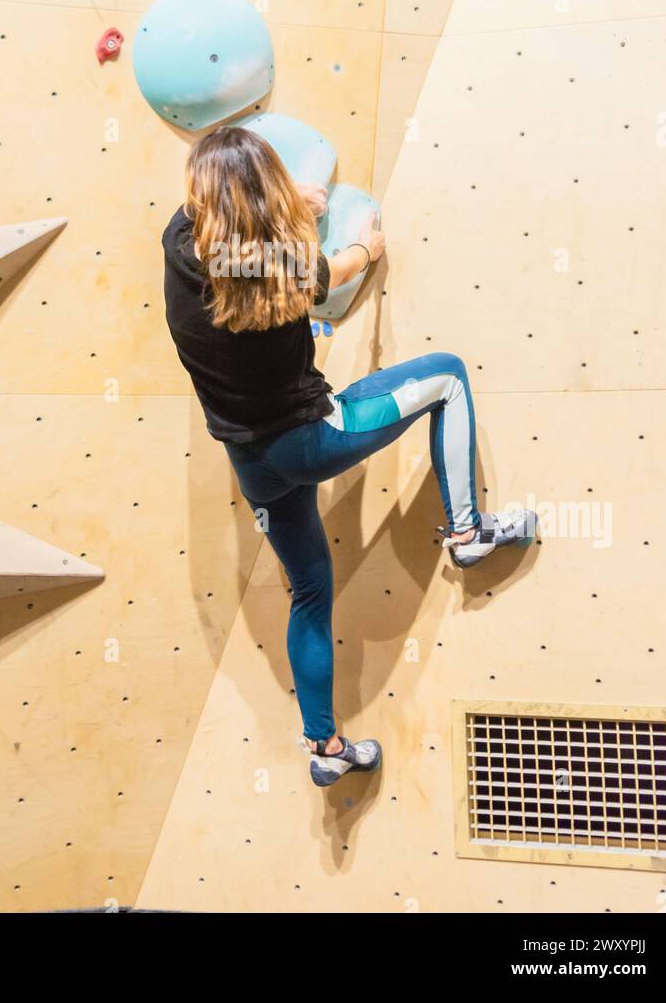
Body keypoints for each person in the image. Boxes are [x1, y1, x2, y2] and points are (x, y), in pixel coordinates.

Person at [162, 126, 535, 787]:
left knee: (309, 592)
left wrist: (280, 208)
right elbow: (337, 269)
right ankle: (467, 533)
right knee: (446, 376)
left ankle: (325, 748)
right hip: (310, 439)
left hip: (253, 465)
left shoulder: (179, 245)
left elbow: (231, 229)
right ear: (263, 194)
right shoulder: (293, 269)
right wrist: (363, 243)